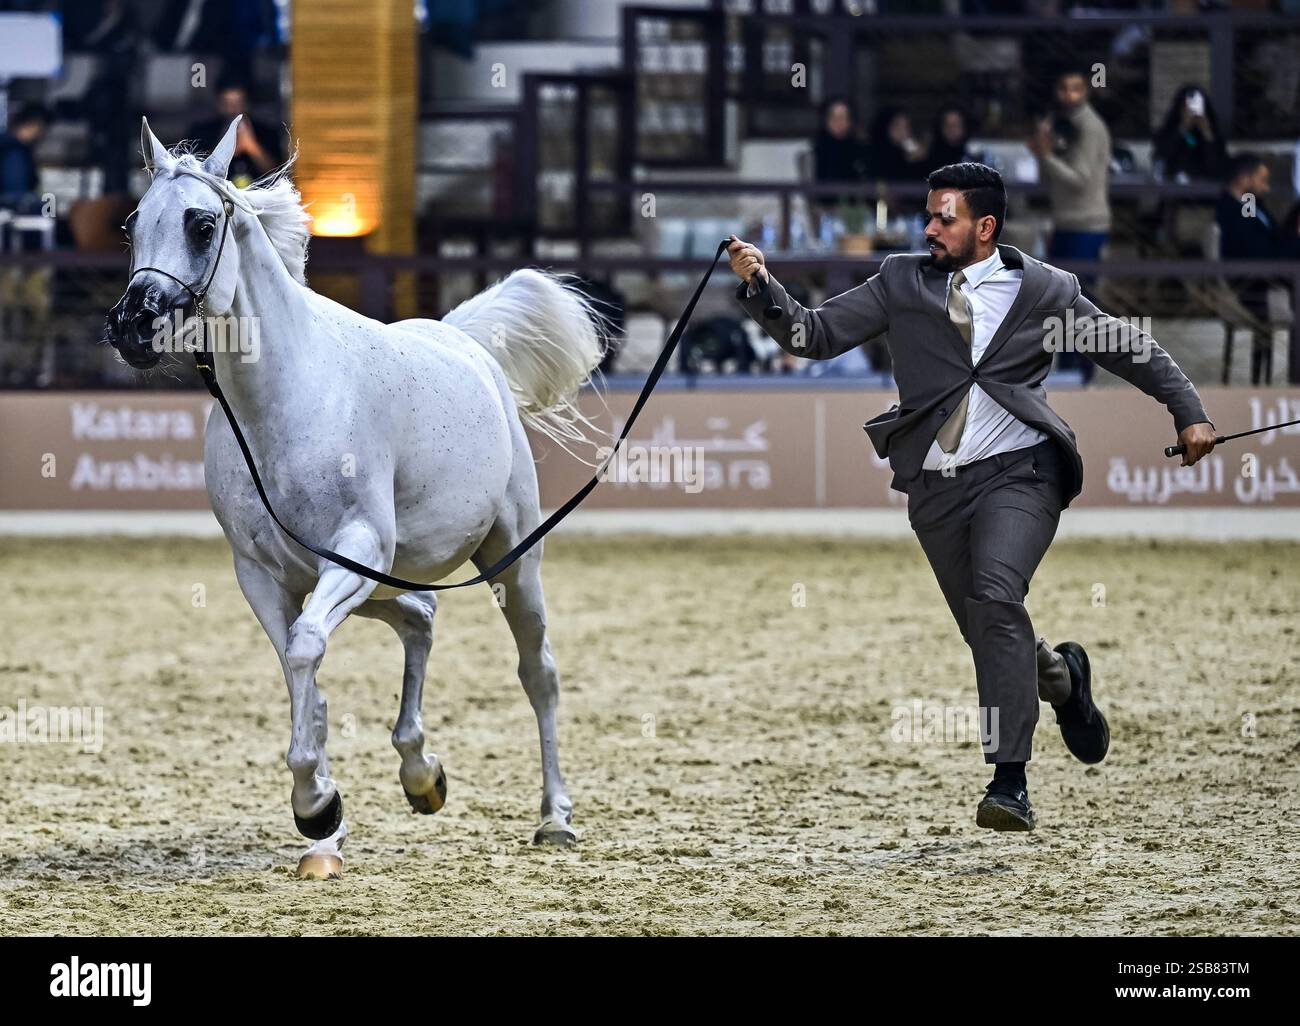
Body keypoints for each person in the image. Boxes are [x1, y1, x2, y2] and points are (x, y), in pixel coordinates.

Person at [727, 162, 1216, 832]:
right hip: (936, 491)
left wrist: (1188, 411)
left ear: (985, 227)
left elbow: (1125, 347)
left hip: (1022, 475)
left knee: (994, 596)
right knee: (989, 629)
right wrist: (761, 284)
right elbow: (814, 335)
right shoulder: (899, 281)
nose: (929, 228)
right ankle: (1065, 680)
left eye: (944, 218)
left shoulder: (1045, 291)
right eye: (927, 216)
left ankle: (1009, 781)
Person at [1028, 67, 1113, 381]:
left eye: (1076, 87)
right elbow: (1049, 176)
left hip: (1086, 225)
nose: (1069, 94)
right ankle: (1067, 374)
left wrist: (1047, 155)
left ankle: (1082, 375)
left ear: (1086, 91)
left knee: (1079, 302)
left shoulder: (1091, 126)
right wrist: (1043, 152)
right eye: (1063, 87)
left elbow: (1080, 179)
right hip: (1065, 222)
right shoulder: (1061, 123)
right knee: (1060, 302)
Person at [186, 71, 282, 188]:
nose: (232, 110)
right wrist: (224, 148)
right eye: (227, 103)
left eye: (238, 103)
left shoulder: (267, 132)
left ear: (247, 103)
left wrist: (252, 147)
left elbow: (277, 175)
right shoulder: (201, 133)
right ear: (218, 104)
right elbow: (193, 176)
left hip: (256, 196)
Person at [1153, 84, 1227, 183]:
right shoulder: (1168, 132)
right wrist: (1183, 128)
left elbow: (1216, 165)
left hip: (1204, 186)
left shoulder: (1214, 134)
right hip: (1172, 184)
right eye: (1189, 107)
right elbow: (1162, 157)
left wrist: (1207, 133)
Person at [0, 104, 50, 211]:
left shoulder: (7, 145)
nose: (42, 135)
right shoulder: (14, 152)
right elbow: (15, 195)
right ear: (35, 125)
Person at [868, 106, 927, 181]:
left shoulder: (911, 150)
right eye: (897, 125)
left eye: (906, 126)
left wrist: (919, 160)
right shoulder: (873, 154)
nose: (903, 131)